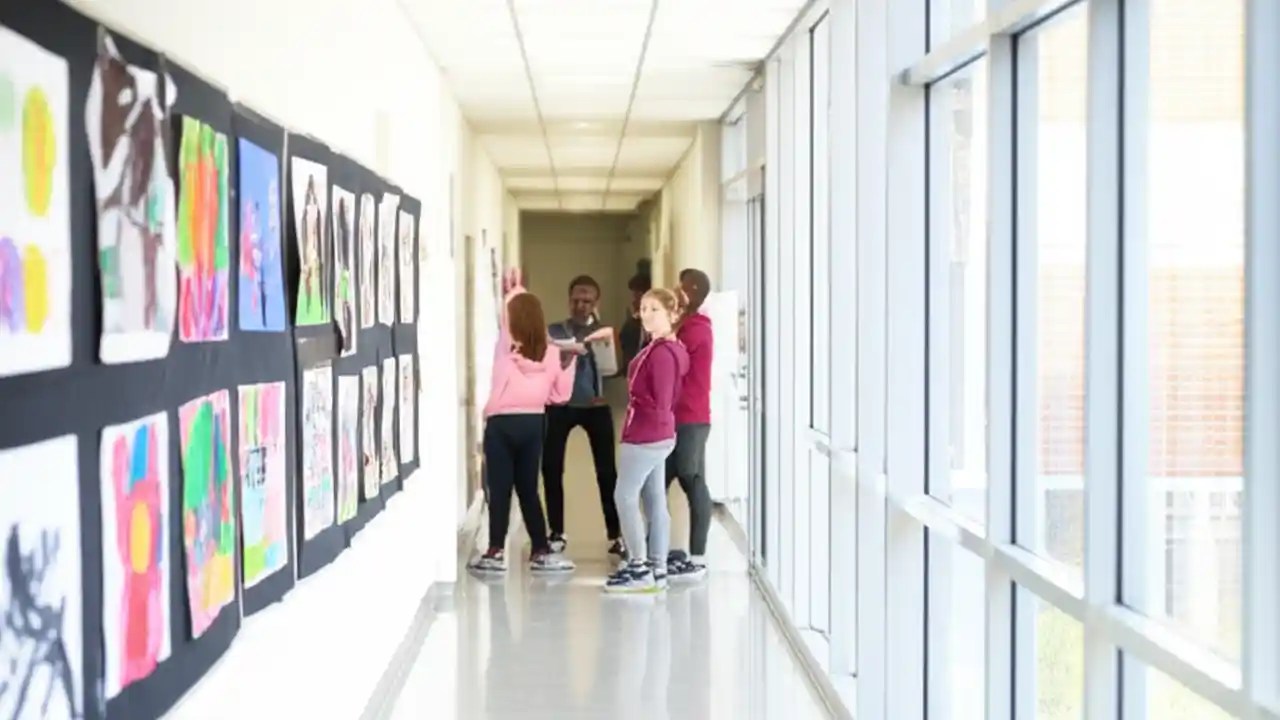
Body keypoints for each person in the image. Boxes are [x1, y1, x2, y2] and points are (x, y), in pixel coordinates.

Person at [470, 273, 577, 573]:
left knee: (500, 489)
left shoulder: (506, 350)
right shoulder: (554, 353)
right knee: (529, 489)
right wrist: (569, 366)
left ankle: (495, 551)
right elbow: (560, 396)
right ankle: (540, 550)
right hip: (534, 424)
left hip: (501, 425)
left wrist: (512, 289)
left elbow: (509, 316)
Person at [606, 288, 690, 594]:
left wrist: (643, 413)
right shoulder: (661, 348)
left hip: (647, 434)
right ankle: (657, 567)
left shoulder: (665, 353)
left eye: (655, 309)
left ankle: (640, 565)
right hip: (654, 432)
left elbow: (662, 399)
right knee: (654, 498)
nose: (647, 315)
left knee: (625, 497)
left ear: (672, 314)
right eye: (643, 308)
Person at [543, 275, 624, 556]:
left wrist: (604, 353)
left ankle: (616, 534)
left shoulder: (605, 332)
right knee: (552, 469)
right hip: (559, 407)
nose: (580, 305)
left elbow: (617, 371)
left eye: (587, 301)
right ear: (569, 300)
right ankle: (557, 532)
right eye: (576, 300)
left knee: (607, 472)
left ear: (595, 303)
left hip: (596, 407)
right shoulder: (554, 329)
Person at [666, 269, 714, 581]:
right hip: (671, 417)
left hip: (690, 418)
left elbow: (674, 362)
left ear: (692, 291)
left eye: (680, 287)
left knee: (691, 478)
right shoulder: (685, 326)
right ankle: (656, 550)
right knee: (656, 483)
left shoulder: (696, 330)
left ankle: (697, 556)